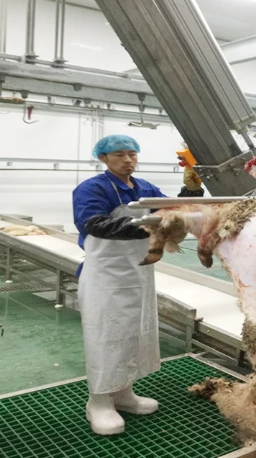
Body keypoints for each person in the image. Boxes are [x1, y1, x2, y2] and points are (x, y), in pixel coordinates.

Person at [72, 135, 167, 436]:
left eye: (132, 154)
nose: (128, 160)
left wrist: (191, 191)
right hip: (105, 277)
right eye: (119, 155)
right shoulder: (92, 188)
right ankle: (98, 402)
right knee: (105, 338)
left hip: (138, 275)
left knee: (133, 335)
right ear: (103, 158)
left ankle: (124, 393)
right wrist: (147, 227)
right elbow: (94, 224)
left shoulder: (144, 188)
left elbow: (170, 208)